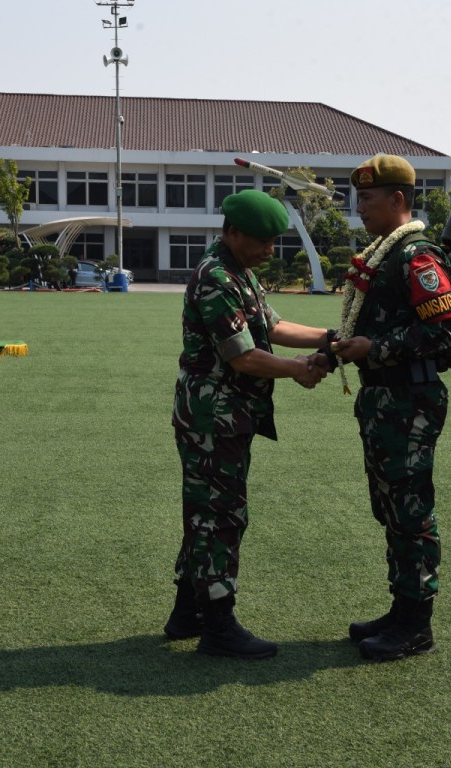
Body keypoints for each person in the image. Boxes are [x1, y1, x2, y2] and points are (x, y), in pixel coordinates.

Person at [164, 189, 333, 659]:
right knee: (220, 516)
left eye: (274, 241)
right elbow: (242, 357)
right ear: (232, 232)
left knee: (205, 512)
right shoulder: (216, 278)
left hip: (224, 414)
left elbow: (273, 327)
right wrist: (300, 368)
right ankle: (217, 626)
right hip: (213, 416)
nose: (270, 250)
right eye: (261, 240)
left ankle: (187, 612)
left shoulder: (240, 272)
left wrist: (333, 338)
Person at [333, 155, 451, 661]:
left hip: (410, 398)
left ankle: (416, 623)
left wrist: (374, 349)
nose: (359, 207)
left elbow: (443, 330)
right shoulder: (386, 254)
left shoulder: (417, 256)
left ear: (398, 200)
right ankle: (401, 606)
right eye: (358, 197)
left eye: (367, 198)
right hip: (385, 398)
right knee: (390, 506)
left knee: (411, 510)